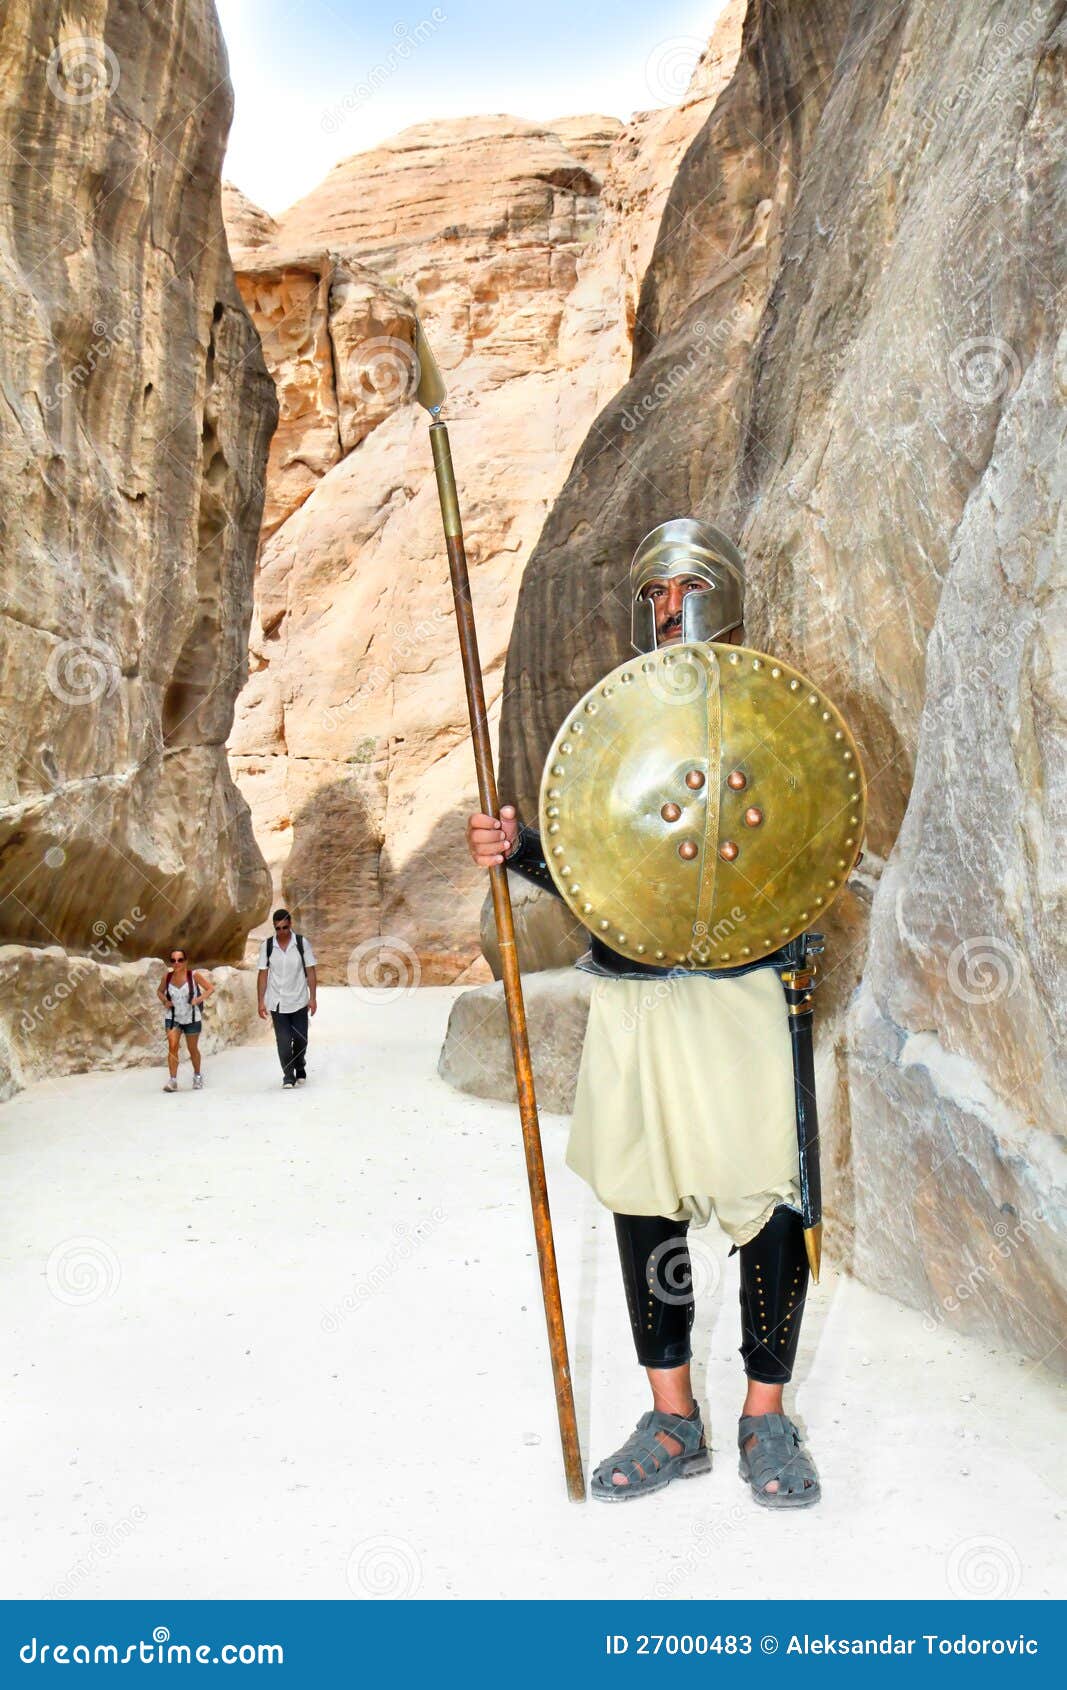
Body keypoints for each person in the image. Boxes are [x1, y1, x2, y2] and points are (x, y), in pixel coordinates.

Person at [466, 519, 828, 1509]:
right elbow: (602, 854)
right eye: (654, 598)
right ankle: (673, 1417)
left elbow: (804, 847)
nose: (668, 612)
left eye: (686, 590)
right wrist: (522, 848)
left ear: (724, 595)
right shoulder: (619, 729)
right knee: (642, 1198)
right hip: (634, 997)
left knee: (768, 1198)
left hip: (742, 990)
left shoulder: (770, 720)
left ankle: (764, 1413)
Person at [257, 908, 317, 1088]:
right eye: (278, 928)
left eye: (284, 927)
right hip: (277, 1002)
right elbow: (262, 974)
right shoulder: (267, 946)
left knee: (301, 1039)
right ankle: (288, 1075)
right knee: (283, 1041)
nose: (281, 932)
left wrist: (313, 998)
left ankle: (300, 1065)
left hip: (299, 1000)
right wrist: (260, 1000)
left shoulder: (301, 943)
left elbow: (310, 970)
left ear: (290, 924)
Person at [156, 948, 214, 1092]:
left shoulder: (193, 976)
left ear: (186, 961)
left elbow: (210, 988)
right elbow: (159, 991)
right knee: (172, 1047)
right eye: (173, 960)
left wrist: (198, 999)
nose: (176, 963)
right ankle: (173, 1080)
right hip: (173, 1017)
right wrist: (165, 1001)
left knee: (192, 1048)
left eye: (180, 960)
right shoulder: (167, 977)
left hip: (191, 1017)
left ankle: (197, 1075)